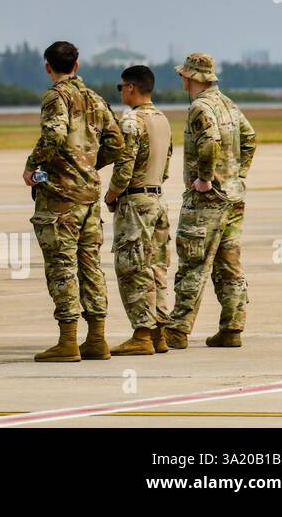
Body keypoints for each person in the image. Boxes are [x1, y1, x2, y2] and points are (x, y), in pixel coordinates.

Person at [24, 41, 123, 362]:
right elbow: (116, 141)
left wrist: (32, 165)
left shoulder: (57, 97)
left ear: (47, 67)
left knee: (61, 264)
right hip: (89, 195)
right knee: (90, 264)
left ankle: (68, 340)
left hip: (60, 197)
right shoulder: (95, 98)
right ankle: (97, 338)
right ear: (77, 65)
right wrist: (88, 164)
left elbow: (53, 135)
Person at [164, 53, 256, 349]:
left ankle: (177, 328)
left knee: (193, 261)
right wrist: (239, 175)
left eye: (183, 76)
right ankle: (232, 327)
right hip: (232, 196)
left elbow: (210, 141)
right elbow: (250, 136)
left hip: (208, 200)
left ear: (191, 77)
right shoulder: (228, 104)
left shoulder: (200, 107)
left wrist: (205, 177)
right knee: (228, 262)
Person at [103, 65, 172, 356]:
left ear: (131, 87)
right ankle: (159, 332)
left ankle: (142, 333)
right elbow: (166, 166)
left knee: (132, 266)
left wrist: (112, 193)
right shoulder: (162, 119)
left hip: (135, 202)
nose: (121, 92)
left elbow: (124, 165)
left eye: (122, 87)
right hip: (157, 198)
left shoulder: (132, 121)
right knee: (156, 266)